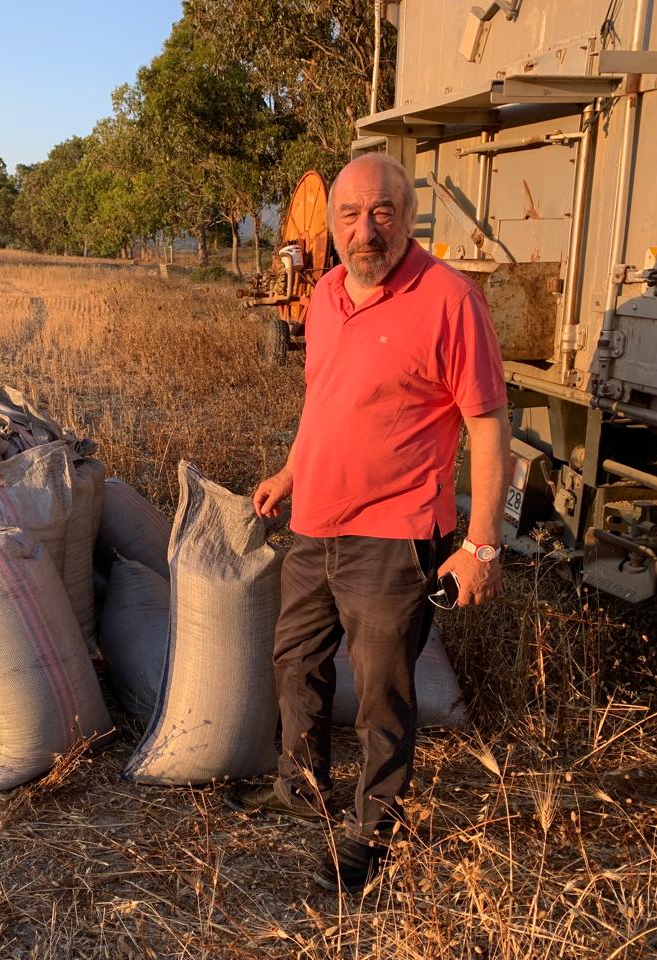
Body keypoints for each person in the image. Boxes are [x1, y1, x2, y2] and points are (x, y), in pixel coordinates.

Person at [225, 152, 510, 893]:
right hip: (314, 524)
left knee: (382, 692)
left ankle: (374, 829)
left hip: (394, 534)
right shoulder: (323, 294)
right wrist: (290, 473)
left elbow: (487, 424)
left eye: (382, 212)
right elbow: (325, 400)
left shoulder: (450, 299)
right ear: (333, 225)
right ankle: (304, 790)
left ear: (409, 216)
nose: (365, 229)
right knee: (294, 663)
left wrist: (480, 542)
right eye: (350, 215)